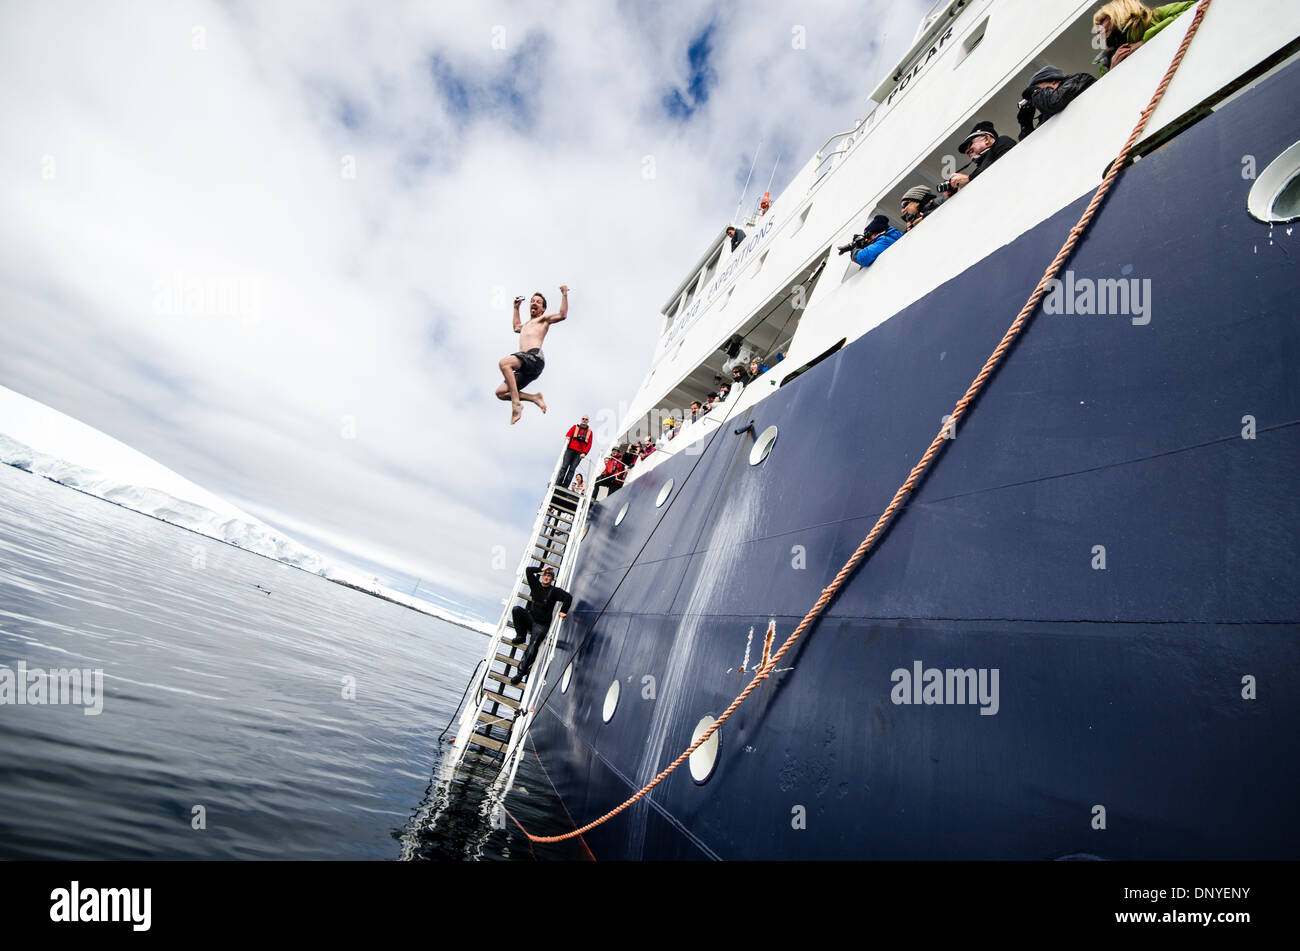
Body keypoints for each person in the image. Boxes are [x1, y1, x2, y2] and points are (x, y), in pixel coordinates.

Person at [497, 285, 569, 425]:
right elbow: (516, 327)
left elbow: (562, 315)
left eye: (538, 302)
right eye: (532, 301)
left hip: (534, 358)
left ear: (543, 309)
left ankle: (516, 405)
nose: (534, 303)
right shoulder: (525, 325)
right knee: (501, 393)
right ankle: (534, 398)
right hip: (525, 365)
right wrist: (516, 308)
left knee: (504, 363)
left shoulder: (543, 320)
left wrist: (564, 294)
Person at [509, 565, 572, 685]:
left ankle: (520, 673)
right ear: (542, 577)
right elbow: (528, 570)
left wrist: (564, 611)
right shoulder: (535, 585)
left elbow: (568, 597)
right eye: (545, 576)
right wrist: (542, 569)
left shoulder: (554, 592)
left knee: (533, 646)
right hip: (531, 619)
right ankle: (521, 636)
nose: (547, 578)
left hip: (541, 625)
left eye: (549, 577)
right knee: (516, 609)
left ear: (552, 579)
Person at [1093, 1, 1195, 73]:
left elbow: (1192, 7)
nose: (1099, 29)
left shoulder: (1153, 17)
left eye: (1103, 20)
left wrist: (1145, 41)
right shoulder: (1105, 62)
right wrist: (1112, 71)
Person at [1017, 66, 1097, 140]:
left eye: (1039, 89)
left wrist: (1035, 91)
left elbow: (1054, 102)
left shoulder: (1079, 80)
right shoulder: (1047, 115)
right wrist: (1026, 125)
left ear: (1054, 82)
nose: (1035, 100)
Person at [948, 121, 1017, 189]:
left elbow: (1004, 166)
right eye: (966, 151)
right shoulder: (979, 169)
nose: (967, 151)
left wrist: (969, 178)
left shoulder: (1003, 141)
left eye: (969, 144)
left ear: (987, 139)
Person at [556, 415, 593, 488]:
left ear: (588, 421)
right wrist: (568, 438)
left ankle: (565, 486)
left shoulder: (590, 432)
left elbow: (589, 444)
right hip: (570, 449)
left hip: (579, 453)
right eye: (583, 419)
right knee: (564, 467)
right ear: (581, 419)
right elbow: (568, 434)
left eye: (586, 419)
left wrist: (584, 453)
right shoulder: (575, 427)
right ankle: (558, 482)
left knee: (572, 469)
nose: (584, 420)